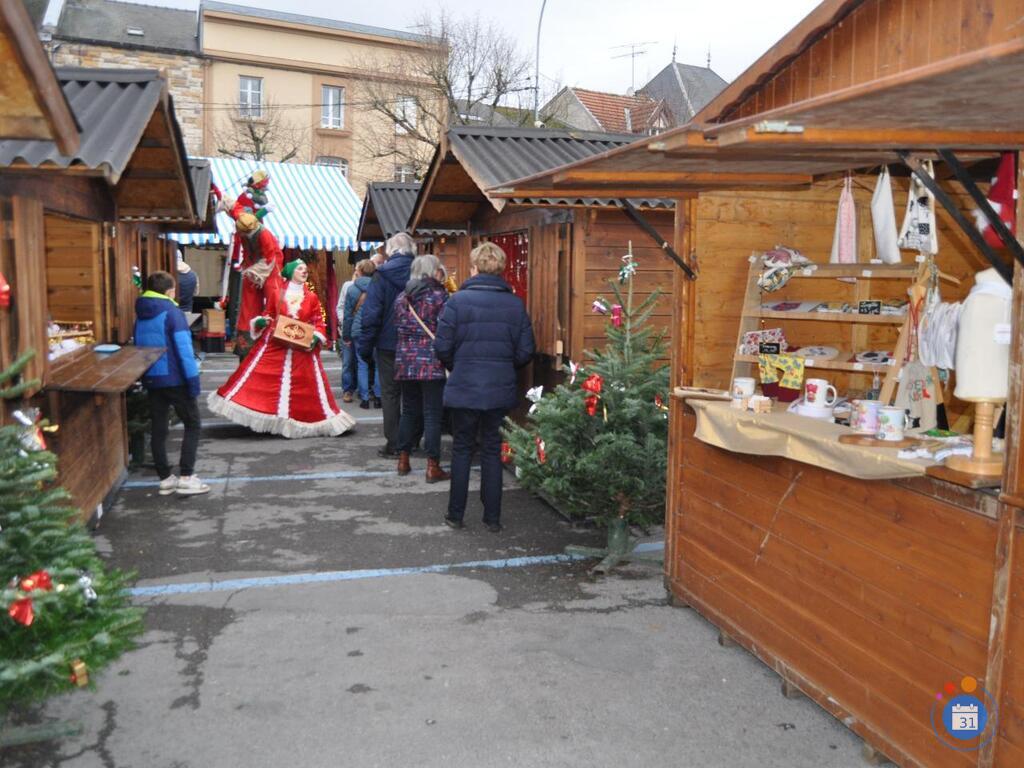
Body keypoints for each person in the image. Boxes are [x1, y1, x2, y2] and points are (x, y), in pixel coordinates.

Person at [434, 242, 535, 532]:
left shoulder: (457, 302)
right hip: (498, 387)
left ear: (474, 267)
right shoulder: (514, 304)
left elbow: (442, 346)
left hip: (464, 385)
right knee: (492, 450)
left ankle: (456, 514)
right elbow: (525, 350)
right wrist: (504, 366)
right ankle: (493, 518)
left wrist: (459, 365)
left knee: (462, 449)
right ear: (500, 268)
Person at [208, 259, 356, 438]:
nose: (304, 271)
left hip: (302, 351)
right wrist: (261, 321)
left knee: (306, 390)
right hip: (276, 346)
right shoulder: (277, 293)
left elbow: (319, 320)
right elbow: (268, 314)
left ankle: (302, 420)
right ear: (291, 272)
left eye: (305, 268)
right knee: (262, 382)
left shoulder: (312, 297)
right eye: (300, 268)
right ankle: (274, 420)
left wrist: (316, 337)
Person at [133, 271, 209, 496]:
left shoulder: (140, 313)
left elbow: (138, 344)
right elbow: (185, 350)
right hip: (175, 377)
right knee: (193, 423)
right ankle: (186, 476)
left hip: (152, 377)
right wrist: (193, 381)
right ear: (170, 290)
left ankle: (165, 477)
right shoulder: (172, 313)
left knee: (159, 428)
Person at [358, 232, 416, 457]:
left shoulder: (381, 275)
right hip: (415, 343)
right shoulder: (420, 271)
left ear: (390, 251)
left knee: (390, 394)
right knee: (412, 394)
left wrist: (365, 346)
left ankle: (394, 443)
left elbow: (372, 314)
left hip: (388, 343)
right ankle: (411, 440)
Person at [394, 255, 449, 483]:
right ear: (433, 272)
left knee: (408, 411)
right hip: (431, 362)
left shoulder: (401, 298)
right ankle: (432, 465)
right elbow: (446, 331)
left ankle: (403, 459)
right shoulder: (440, 297)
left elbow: (396, 327)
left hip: (406, 361)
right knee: (432, 414)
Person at [232, 212, 284, 358]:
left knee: (273, 295)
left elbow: (270, 258)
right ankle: (246, 341)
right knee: (248, 303)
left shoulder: (265, 235)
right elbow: (234, 208)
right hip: (252, 265)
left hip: (271, 267)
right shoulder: (242, 227)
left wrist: (256, 272)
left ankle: (275, 333)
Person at [342, 259, 381, 410]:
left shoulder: (352, 289)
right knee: (377, 364)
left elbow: (348, 316)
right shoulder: (379, 287)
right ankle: (378, 397)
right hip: (376, 328)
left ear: (360, 271)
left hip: (358, 331)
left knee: (361, 363)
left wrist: (346, 336)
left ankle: (364, 399)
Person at [335, 269, 356, 403]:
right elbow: (340, 306)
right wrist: (343, 321)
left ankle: (361, 389)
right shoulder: (348, 286)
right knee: (348, 361)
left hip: (361, 328)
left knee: (359, 361)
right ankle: (348, 389)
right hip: (349, 327)